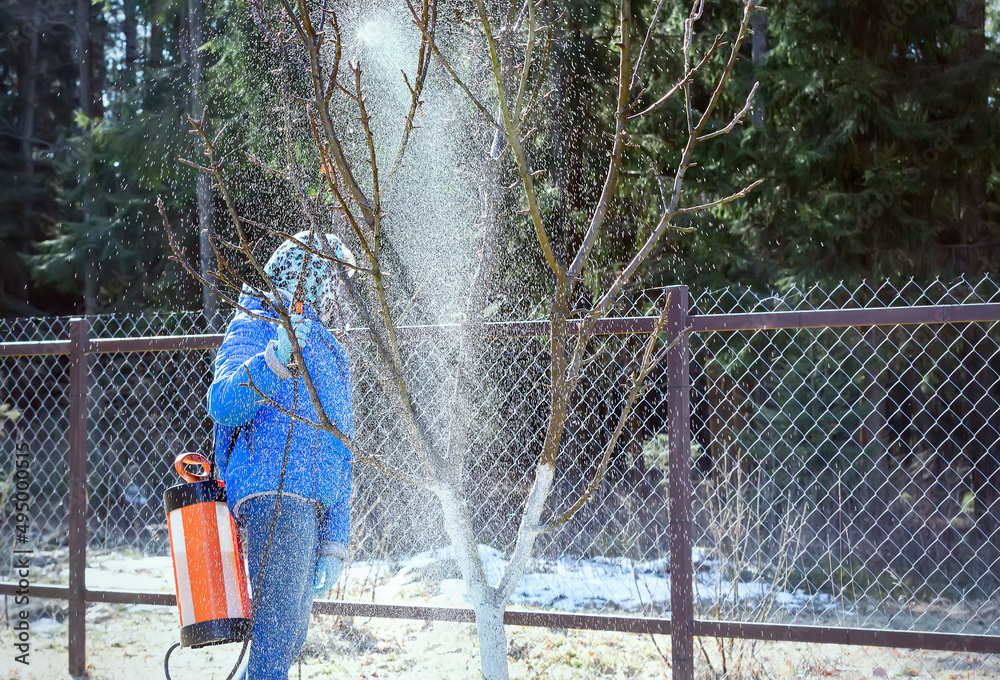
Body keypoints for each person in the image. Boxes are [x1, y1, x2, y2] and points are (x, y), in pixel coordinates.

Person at [207, 231, 354, 679]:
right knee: (277, 638)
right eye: (331, 278)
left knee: (287, 637)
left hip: (311, 503)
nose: (334, 292)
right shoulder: (255, 323)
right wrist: (276, 359)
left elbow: (339, 449)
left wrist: (335, 540)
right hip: (272, 489)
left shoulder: (331, 351)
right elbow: (224, 402)